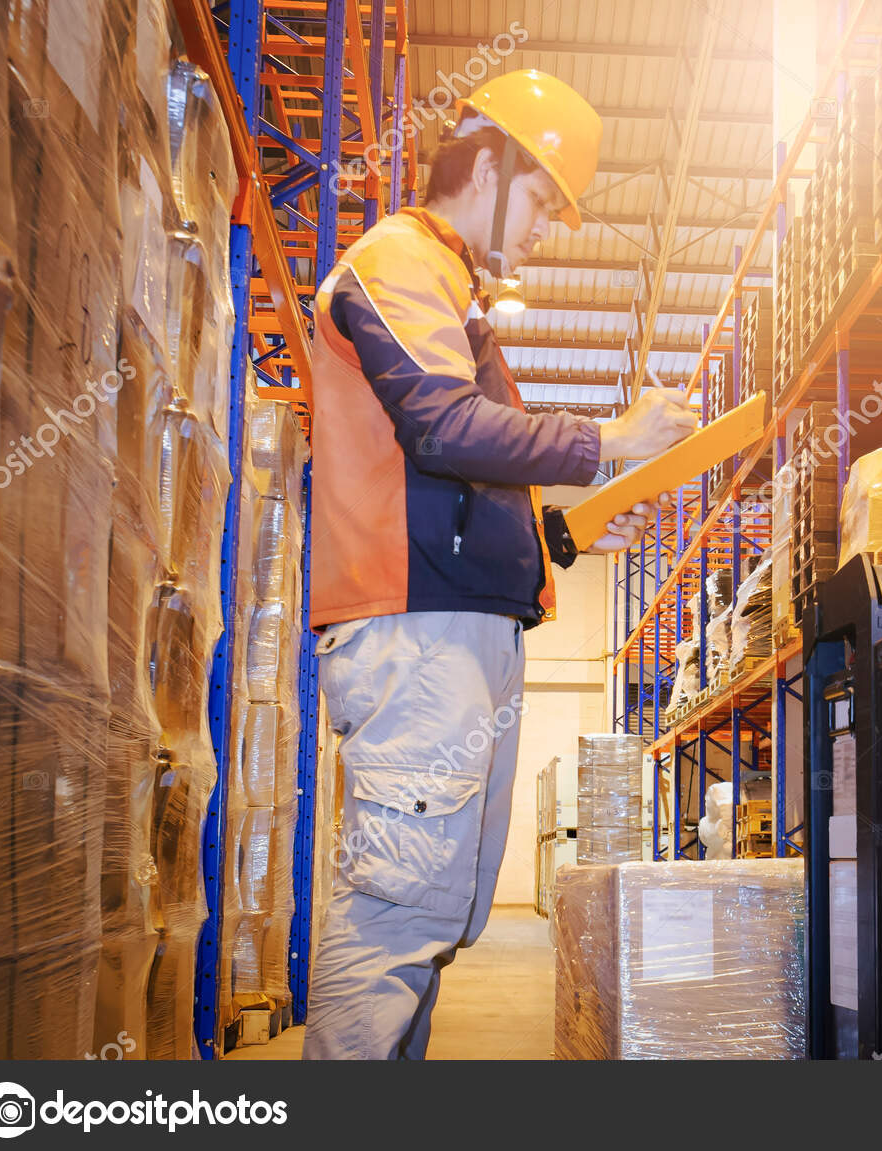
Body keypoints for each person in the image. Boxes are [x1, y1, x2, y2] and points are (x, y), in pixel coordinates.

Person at [302, 69, 694, 1059]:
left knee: (427, 912)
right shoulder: (398, 259)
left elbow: (461, 473)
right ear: (486, 166)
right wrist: (607, 440)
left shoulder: (444, 281)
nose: (549, 228)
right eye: (545, 201)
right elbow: (441, 426)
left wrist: (565, 532)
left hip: (446, 627)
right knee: (397, 910)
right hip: (415, 630)